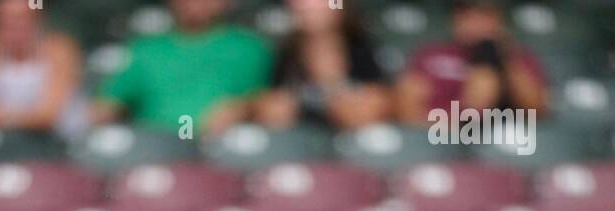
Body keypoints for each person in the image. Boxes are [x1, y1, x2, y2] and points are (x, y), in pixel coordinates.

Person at [92, 0, 274, 136]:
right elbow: (109, 102)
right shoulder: (145, 50)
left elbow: (266, 102)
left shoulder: (249, 48)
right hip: (154, 148)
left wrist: (242, 109)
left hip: (223, 147)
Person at [396, 0, 547, 124]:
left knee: (485, 81)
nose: (475, 23)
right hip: (438, 135)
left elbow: (537, 108)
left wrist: (505, 59)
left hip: (499, 136)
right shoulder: (431, 54)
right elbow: (408, 110)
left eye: (484, 15)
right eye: (466, 15)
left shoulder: (516, 57)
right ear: (455, 20)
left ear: (499, 21)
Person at [253, 0, 390, 131]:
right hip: (301, 145)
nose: (311, 7)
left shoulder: (362, 50)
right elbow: (272, 111)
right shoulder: (286, 55)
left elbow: (371, 105)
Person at [0, 0, 87, 137]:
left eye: (21, 18)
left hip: (62, 141)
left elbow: (48, 116)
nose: (13, 25)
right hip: (6, 143)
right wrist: (24, 117)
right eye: (4, 20)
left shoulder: (60, 49)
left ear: (37, 20)